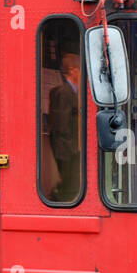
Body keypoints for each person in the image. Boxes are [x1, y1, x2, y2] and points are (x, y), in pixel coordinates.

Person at [47, 53, 82, 202]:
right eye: (80, 70)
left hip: (72, 148)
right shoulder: (64, 93)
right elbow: (60, 125)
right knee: (69, 185)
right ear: (73, 70)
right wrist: (74, 148)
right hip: (67, 150)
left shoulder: (74, 92)